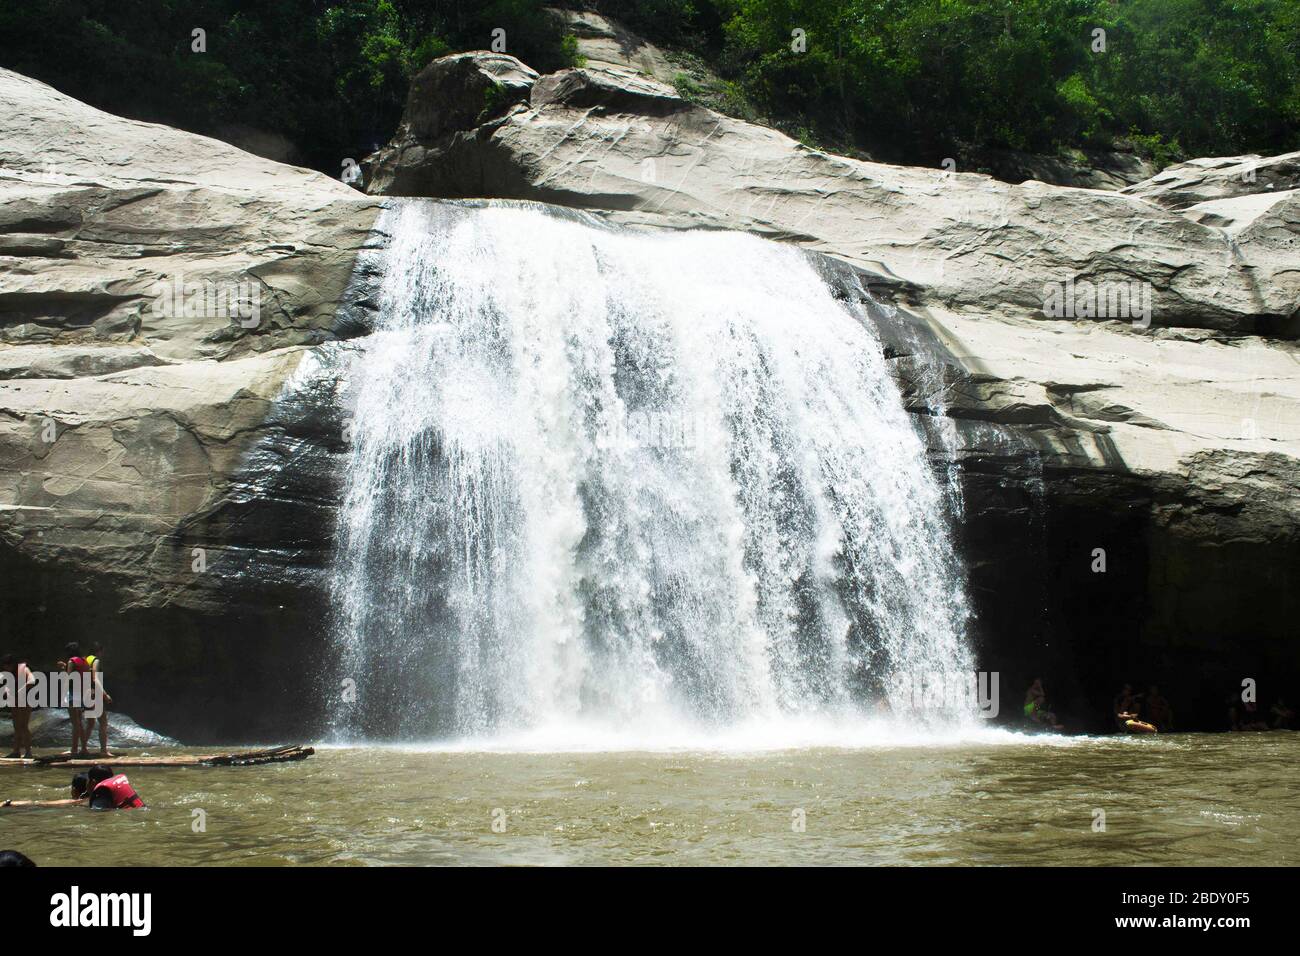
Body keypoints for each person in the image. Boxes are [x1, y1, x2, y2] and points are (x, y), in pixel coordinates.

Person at [56, 643, 91, 758]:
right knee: (79, 722)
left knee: (75, 723)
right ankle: (84, 748)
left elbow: (68, 676)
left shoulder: (71, 661)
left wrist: (62, 668)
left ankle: (74, 749)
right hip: (82, 692)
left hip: (72, 693)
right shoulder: (84, 660)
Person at [1, 655, 35, 758]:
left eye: (7, 666)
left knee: (24, 726)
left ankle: (28, 752)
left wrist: (21, 690)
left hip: (25, 700)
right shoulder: (8, 672)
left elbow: (32, 680)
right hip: (14, 700)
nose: (5, 669)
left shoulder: (24, 669)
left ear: (12, 664)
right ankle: (16, 751)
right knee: (16, 727)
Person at [83, 643, 113, 758]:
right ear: (99, 651)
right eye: (102, 651)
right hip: (95, 694)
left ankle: (83, 748)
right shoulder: (95, 661)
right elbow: (95, 679)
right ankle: (103, 750)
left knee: (90, 723)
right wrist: (105, 694)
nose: (103, 654)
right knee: (103, 723)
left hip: (86, 694)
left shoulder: (85, 660)